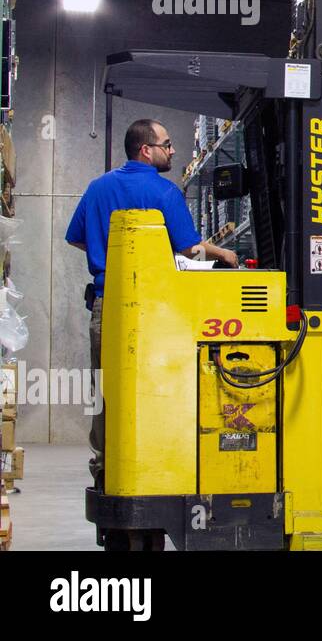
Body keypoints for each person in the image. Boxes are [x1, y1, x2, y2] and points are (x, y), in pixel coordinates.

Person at [66, 119, 239, 485]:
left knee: (108, 387)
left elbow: (76, 238)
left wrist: (110, 253)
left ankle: (108, 466)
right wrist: (222, 253)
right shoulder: (163, 193)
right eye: (167, 144)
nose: (173, 150)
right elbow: (189, 249)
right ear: (146, 150)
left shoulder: (97, 189)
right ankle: (159, 462)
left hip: (107, 305)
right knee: (162, 385)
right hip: (157, 310)